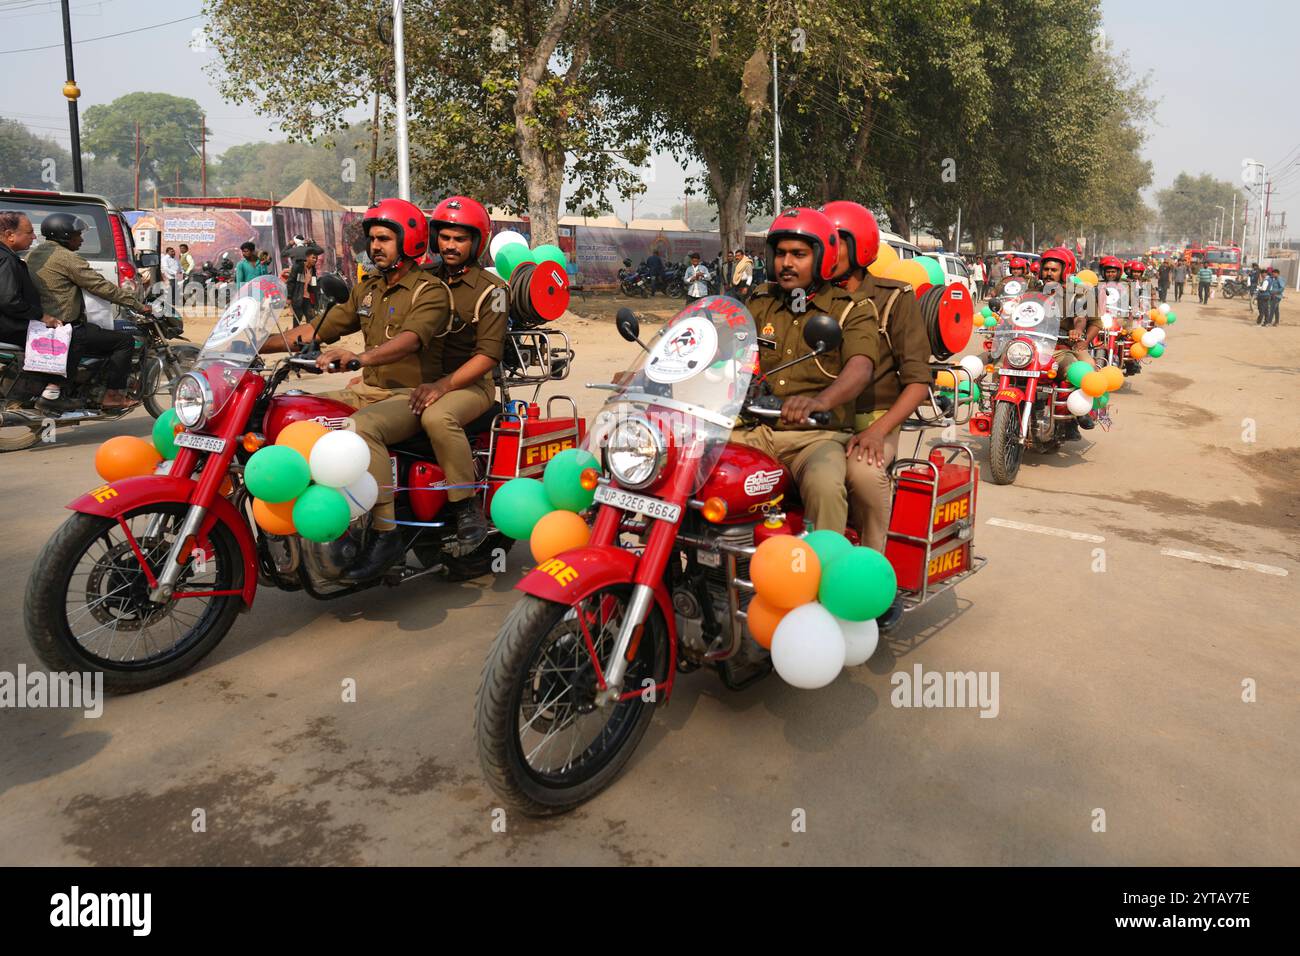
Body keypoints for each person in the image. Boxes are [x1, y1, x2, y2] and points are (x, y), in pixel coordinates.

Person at [260, 198, 452, 582]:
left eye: (384, 238)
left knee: (363, 428)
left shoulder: (429, 291)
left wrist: (360, 359)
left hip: (409, 395)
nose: (375, 246)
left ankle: (386, 531)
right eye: (372, 239)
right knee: (294, 410)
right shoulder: (367, 290)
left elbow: (412, 339)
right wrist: (254, 342)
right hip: (366, 389)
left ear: (409, 241)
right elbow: (317, 328)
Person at [730, 207, 878, 535]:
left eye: (799, 254)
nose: (787, 263)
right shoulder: (759, 303)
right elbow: (723, 350)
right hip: (757, 431)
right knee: (689, 463)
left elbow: (860, 366)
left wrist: (820, 402)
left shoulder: (852, 309)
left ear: (823, 257)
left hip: (816, 438)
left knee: (825, 488)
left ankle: (824, 576)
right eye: (781, 254)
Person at [823, 201, 927, 578]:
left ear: (861, 247)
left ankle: (870, 571)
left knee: (863, 476)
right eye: (821, 242)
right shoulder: (804, 295)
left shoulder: (894, 298)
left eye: (835, 242)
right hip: (817, 419)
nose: (826, 251)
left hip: (874, 418)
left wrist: (877, 431)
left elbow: (918, 381)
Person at [410, 195, 509, 549]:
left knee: (438, 419)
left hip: (470, 385)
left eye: (460, 239)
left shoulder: (493, 290)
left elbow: (488, 356)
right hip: (420, 380)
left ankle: (466, 505)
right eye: (445, 237)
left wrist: (442, 385)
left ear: (476, 242)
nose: (450, 246)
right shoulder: (420, 279)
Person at [26, 213, 148, 411]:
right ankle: (113, 396)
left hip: (42, 323)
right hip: (64, 326)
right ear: (65, 236)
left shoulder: (36, 253)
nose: (81, 239)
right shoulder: (67, 258)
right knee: (124, 341)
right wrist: (138, 305)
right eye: (77, 235)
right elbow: (100, 286)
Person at [0, 212, 64, 408]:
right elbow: (9, 300)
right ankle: (52, 394)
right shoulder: (6, 260)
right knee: (67, 338)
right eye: (29, 232)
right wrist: (43, 317)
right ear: (10, 235)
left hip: (10, 324)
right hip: (11, 327)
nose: (34, 237)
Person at [1039, 246, 1095, 436]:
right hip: (1033, 346)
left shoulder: (1077, 293)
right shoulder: (1034, 290)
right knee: (999, 366)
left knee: (1086, 367)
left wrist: (1077, 331)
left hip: (1062, 345)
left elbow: (1081, 318)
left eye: (1053, 270)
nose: (1048, 273)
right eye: (1046, 269)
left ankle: (1077, 414)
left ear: (1064, 271)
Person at [286, 246, 322, 323]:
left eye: (316, 258)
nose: (315, 260)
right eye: (313, 258)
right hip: (297, 298)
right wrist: (289, 297)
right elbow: (290, 282)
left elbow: (313, 285)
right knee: (297, 320)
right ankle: (295, 335)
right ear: (307, 257)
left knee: (311, 320)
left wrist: (316, 298)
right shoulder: (297, 267)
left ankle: (309, 335)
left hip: (308, 299)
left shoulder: (313, 270)